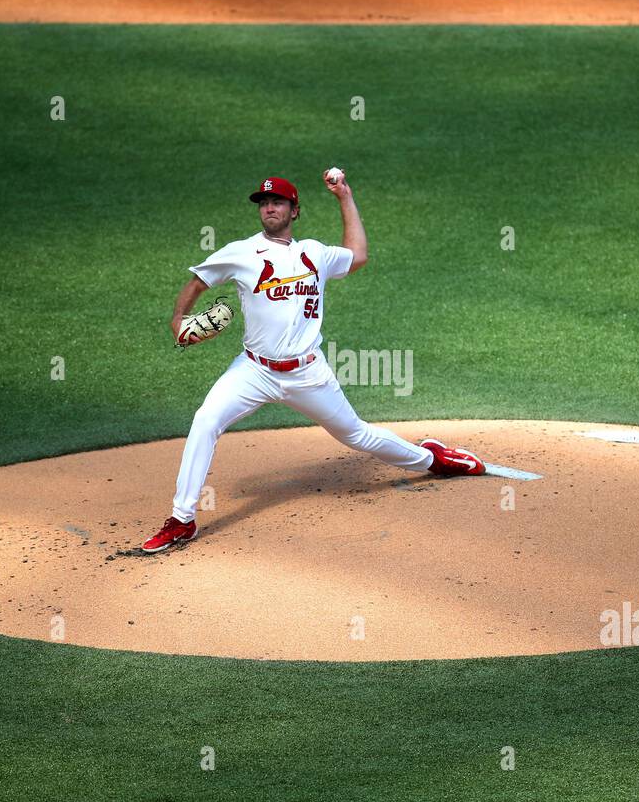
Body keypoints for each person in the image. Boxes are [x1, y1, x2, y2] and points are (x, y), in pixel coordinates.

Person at [142, 171, 484, 554]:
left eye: (278, 202)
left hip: (308, 373)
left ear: (295, 210)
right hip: (254, 370)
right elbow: (197, 281)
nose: (269, 207)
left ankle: (431, 458)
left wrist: (345, 196)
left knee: (356, 435)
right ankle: (182, 519)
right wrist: (177, 320)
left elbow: (359, 255)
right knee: (206, 420)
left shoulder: (316, 253)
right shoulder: (240, 252)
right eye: (264, 203)